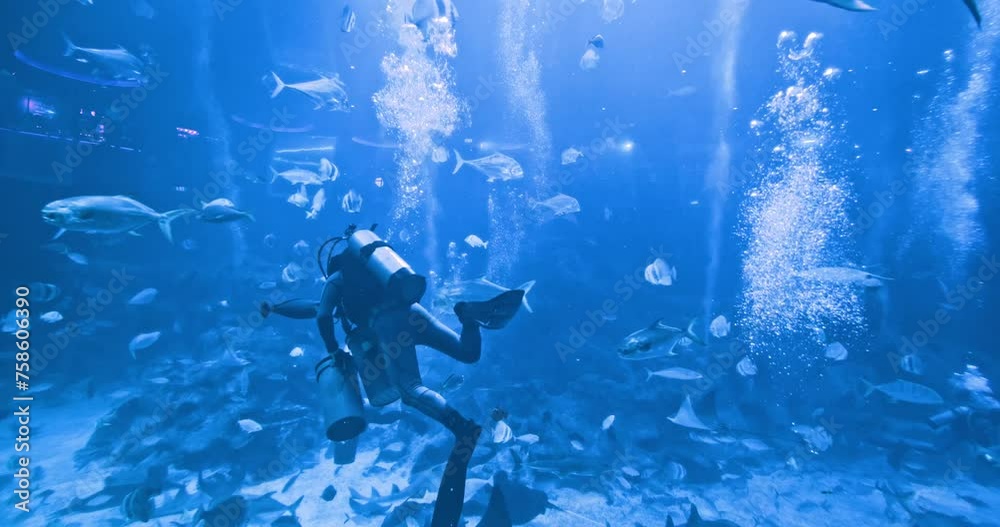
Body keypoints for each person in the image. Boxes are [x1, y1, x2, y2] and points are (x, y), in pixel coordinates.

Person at [277, 225, 524, 527]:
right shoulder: (378, 271)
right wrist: (276, 309)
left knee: (409, 389)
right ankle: (469, 318)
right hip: (414, 311)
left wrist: (333, 350)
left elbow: (321, 314)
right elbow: (315, 310)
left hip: (387, 325)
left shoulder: (337, 279)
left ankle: (461, 427)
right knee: (466, 352)